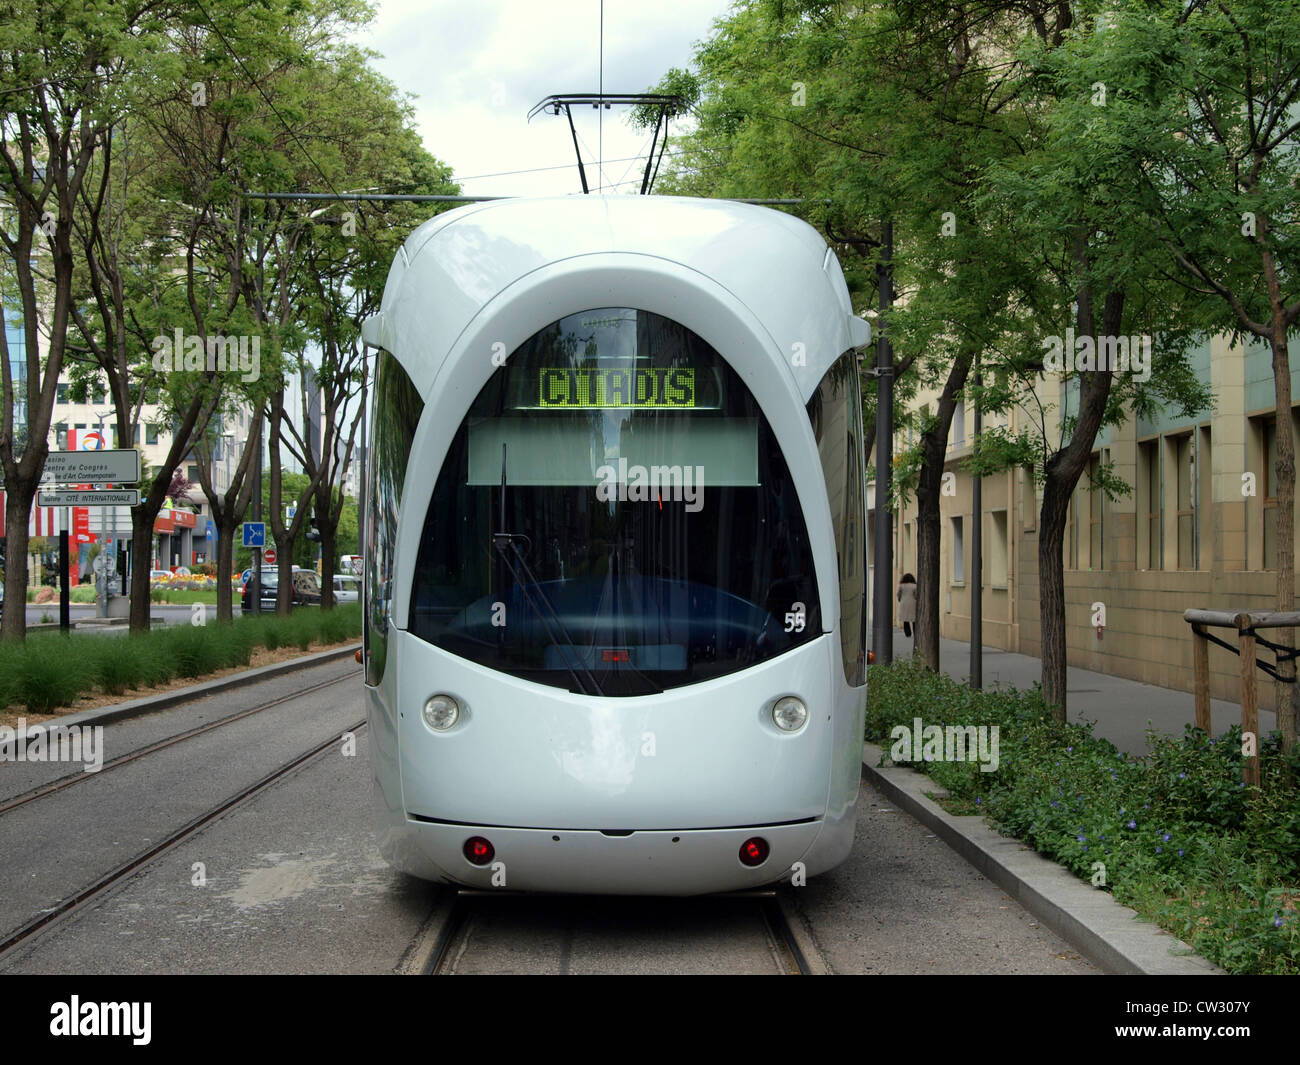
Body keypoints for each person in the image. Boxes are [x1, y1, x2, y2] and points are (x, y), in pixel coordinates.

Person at [897, 572, 917, 638]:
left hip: (904, 603)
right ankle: (915, 632)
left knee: (905, 620)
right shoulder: (915, 586)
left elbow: (898, 594)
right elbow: (916, 595)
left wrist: (900, 600)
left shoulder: (901, 586)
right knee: (914, 620)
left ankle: (908, 634)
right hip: (913, 604)